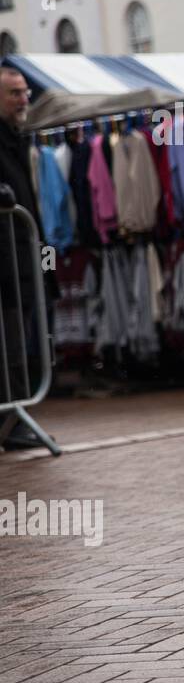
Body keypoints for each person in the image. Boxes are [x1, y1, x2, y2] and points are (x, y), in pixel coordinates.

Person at [0, 66, 53, 448]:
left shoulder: (18, 138)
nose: (24, 100)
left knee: (20, 339)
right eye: (15, 93)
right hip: (6, 262)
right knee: (11, 343)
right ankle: (12, 419)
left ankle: (15, 414)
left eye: (25, 93)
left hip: (23, 256)